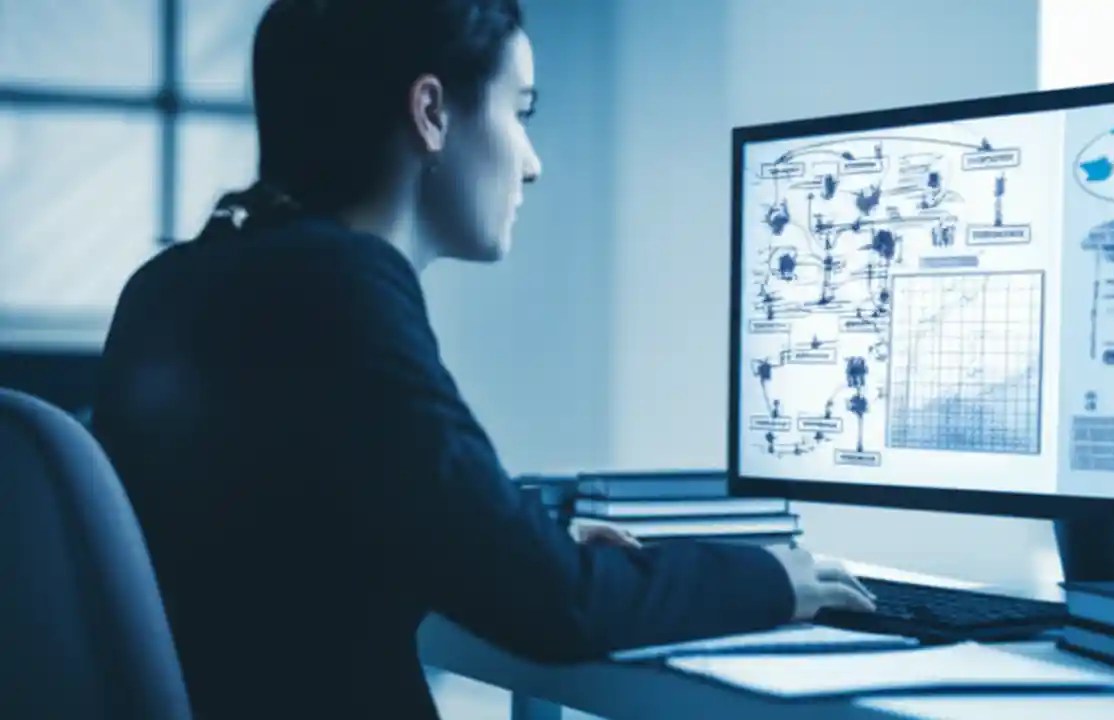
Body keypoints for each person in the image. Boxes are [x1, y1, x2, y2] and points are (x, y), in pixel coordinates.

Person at [91, 1, 876, 718]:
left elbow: (305, 543)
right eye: (518, 111)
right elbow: (552, 608)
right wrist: (775, 578)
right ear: (432, 112)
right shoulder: (337, 289)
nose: (531, 162)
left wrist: (524, 546)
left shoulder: (170, 285)